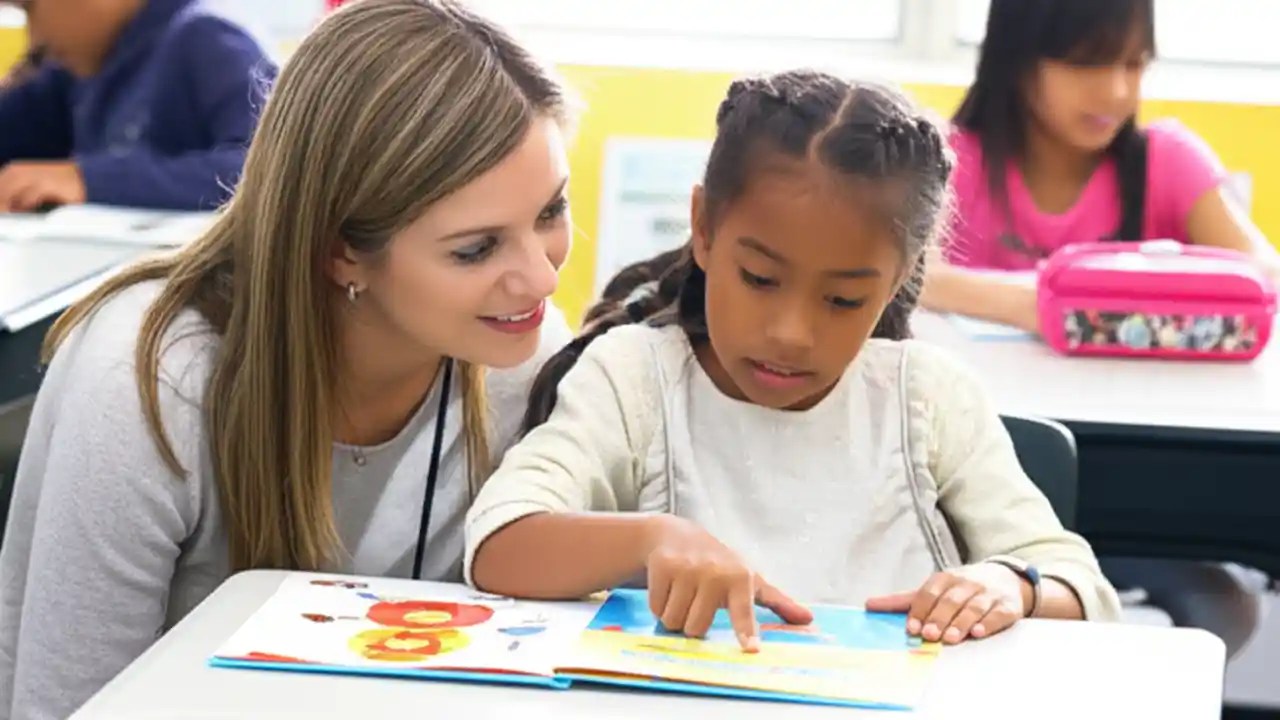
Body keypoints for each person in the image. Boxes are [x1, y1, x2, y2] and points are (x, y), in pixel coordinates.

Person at [0, 1, 574, 718]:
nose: (542, 280)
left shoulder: (526, 350)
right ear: (341, 250)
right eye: (476, 248)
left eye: (551, 211)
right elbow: (61, 703)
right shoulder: (150, 382)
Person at [465, 70, 1120, 652]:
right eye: (759, 278)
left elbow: (1077, 586)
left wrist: (1011, 582)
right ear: (703, 227)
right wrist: (652, 540)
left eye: (842, 298)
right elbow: (498, 546)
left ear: (899, 281)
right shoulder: (634, 378)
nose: (791, 333)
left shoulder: (926, 396)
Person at [924, 0, 1280, 332]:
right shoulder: (949, 162)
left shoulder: (1168, 160)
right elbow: (913, 277)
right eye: (1086, 63)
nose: (1116, 91)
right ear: (1016, 58)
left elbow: (1266, 274)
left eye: (1134, 64)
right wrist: (1040, 305)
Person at [0, 0, 277, 212]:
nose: (34, 37)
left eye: (30, 8)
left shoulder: (210, 38)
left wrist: (90, 181)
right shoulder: (86, 62)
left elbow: (266, 171)